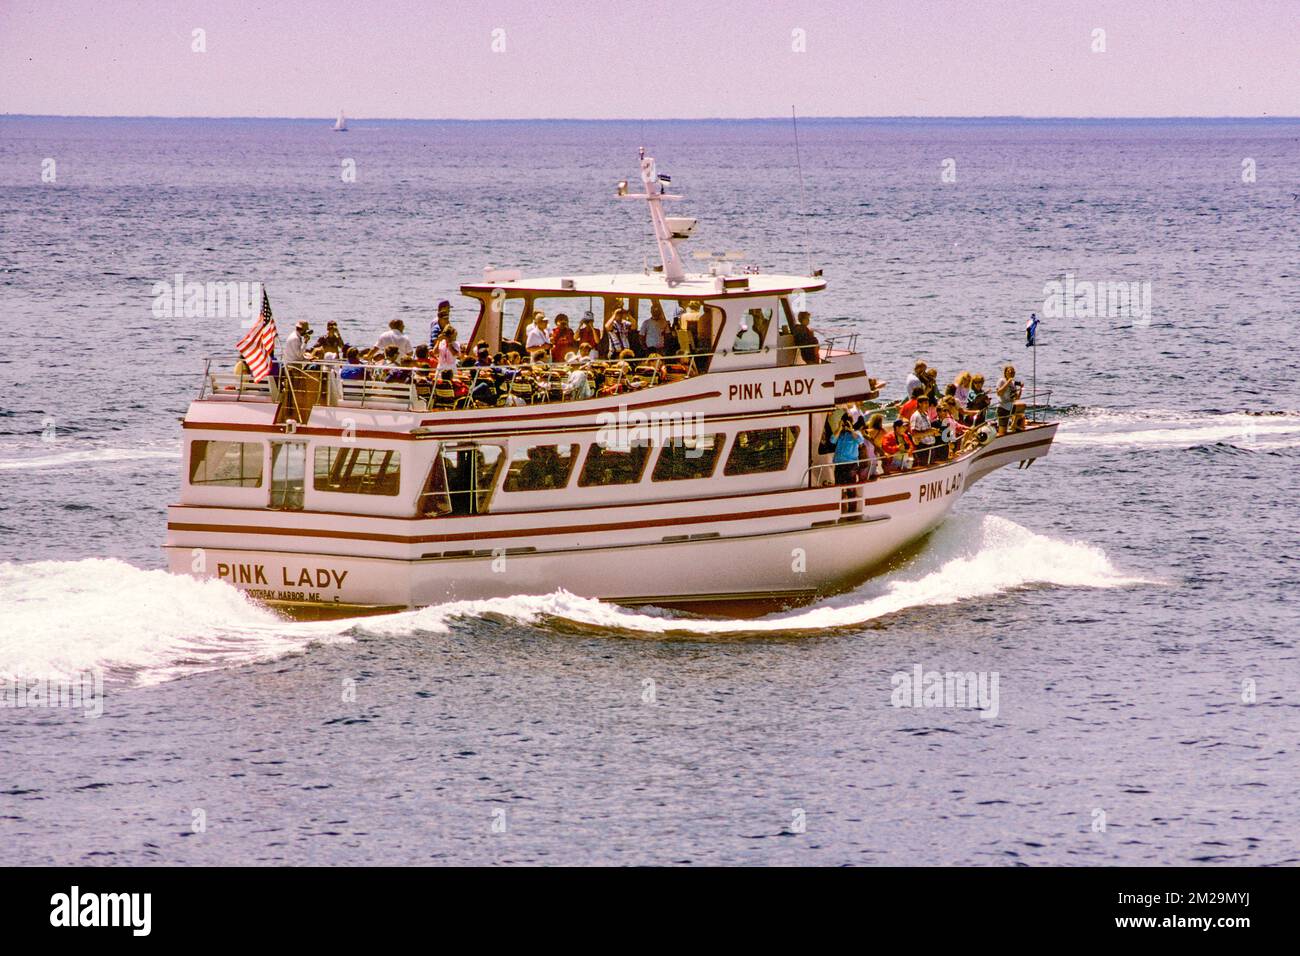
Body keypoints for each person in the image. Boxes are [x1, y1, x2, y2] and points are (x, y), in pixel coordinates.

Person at [832, 416, 864, 485]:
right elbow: (832, 440)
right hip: (839, 464)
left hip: (851, 465)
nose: (846, 424)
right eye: (844, 422)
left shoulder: (856, 432)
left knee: (851, 487)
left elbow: (860, 441)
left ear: (852, 423)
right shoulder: (840, 433)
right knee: (838, 486)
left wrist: (851, 430)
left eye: (848, 422)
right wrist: (839, 428)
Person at [909, 396, 940, 466]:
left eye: (928, 403)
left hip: (931, 446)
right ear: (919, 404)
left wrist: (933, 432)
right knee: (924, 466)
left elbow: (927, 431)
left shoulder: (926, 415)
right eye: (925, 403)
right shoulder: (916, 416)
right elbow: (914, 434)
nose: (927, 405)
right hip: (923, 448)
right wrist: (928, 432)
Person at [995, 364, 1020, 435]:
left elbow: (1017, 397)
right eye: (1010, 372)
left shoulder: (1013, 383)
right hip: (1002, 407)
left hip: (1010, 407)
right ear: (1005, 372)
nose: (1012, 373)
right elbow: (999, 393)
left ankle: (1014, 424)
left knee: (1021, 407)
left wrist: (1021, 388)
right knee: (1002, 432)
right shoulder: (1002, 381)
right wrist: (1008, 382)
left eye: (1013, 372)